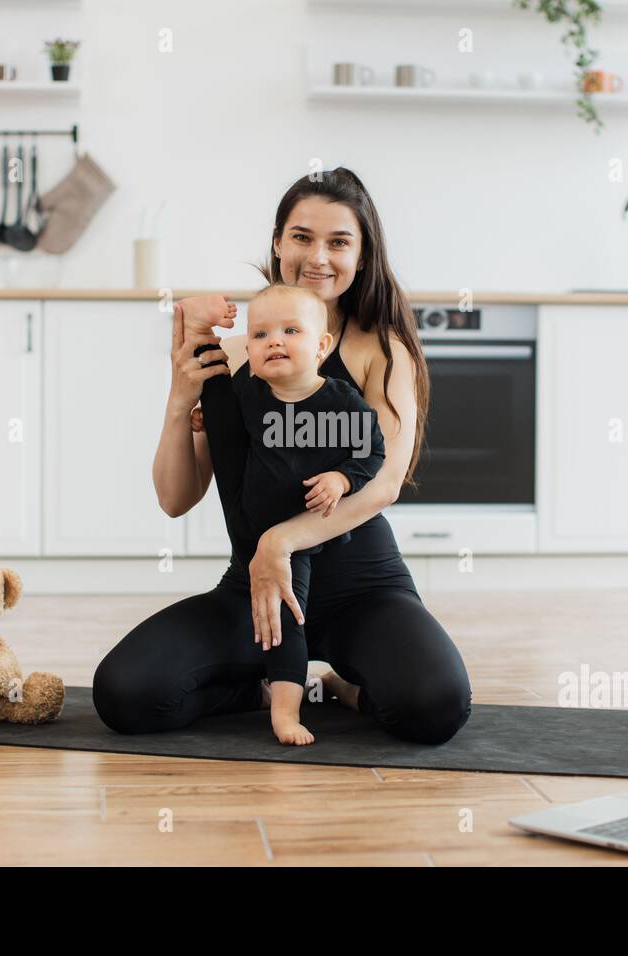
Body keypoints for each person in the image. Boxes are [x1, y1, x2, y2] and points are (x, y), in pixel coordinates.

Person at [93, 167, 472, 746]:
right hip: (257, 592)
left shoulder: (381, 347)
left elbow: (385, 482)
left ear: (363, 256)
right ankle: (264, 683)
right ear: (277, 243)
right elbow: (175, 498)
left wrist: (280, 541)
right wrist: (179, 398)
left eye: (339, 242)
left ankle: (346, 684)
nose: (318, 256)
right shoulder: (241, 350)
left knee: (435, 706)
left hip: (361, 590)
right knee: (125, 694)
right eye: (301, 237)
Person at [198, 281, 385, 744]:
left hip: (300, 537)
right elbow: (227, 433)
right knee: (215, 395)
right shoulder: (252, 394)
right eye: (259, 336)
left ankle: (285, 711)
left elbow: (371, 452)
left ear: (321, 346)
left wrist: (342, 479)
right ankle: (198, 327)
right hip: (250, 522)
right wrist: (204, 420)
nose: (273, 341)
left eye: (289, 331)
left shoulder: (339, 399)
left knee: (286, 617)